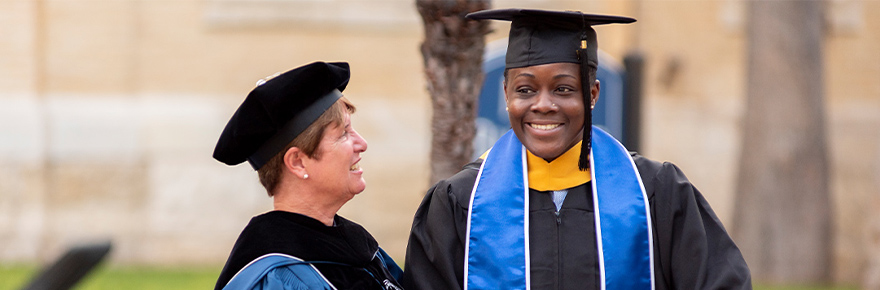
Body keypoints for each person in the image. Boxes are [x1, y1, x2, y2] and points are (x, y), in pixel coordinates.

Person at [401, 8, 751, 290]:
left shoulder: (656, 192)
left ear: (593, 94)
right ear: (505, 92)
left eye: (564, 89)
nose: (543, 105)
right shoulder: (459, 202)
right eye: (525, 90)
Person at [212, 61, 404, 290]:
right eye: (343, 133)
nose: (362, 144)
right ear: (298, 163)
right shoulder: (276, 277)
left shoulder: (360, 248)